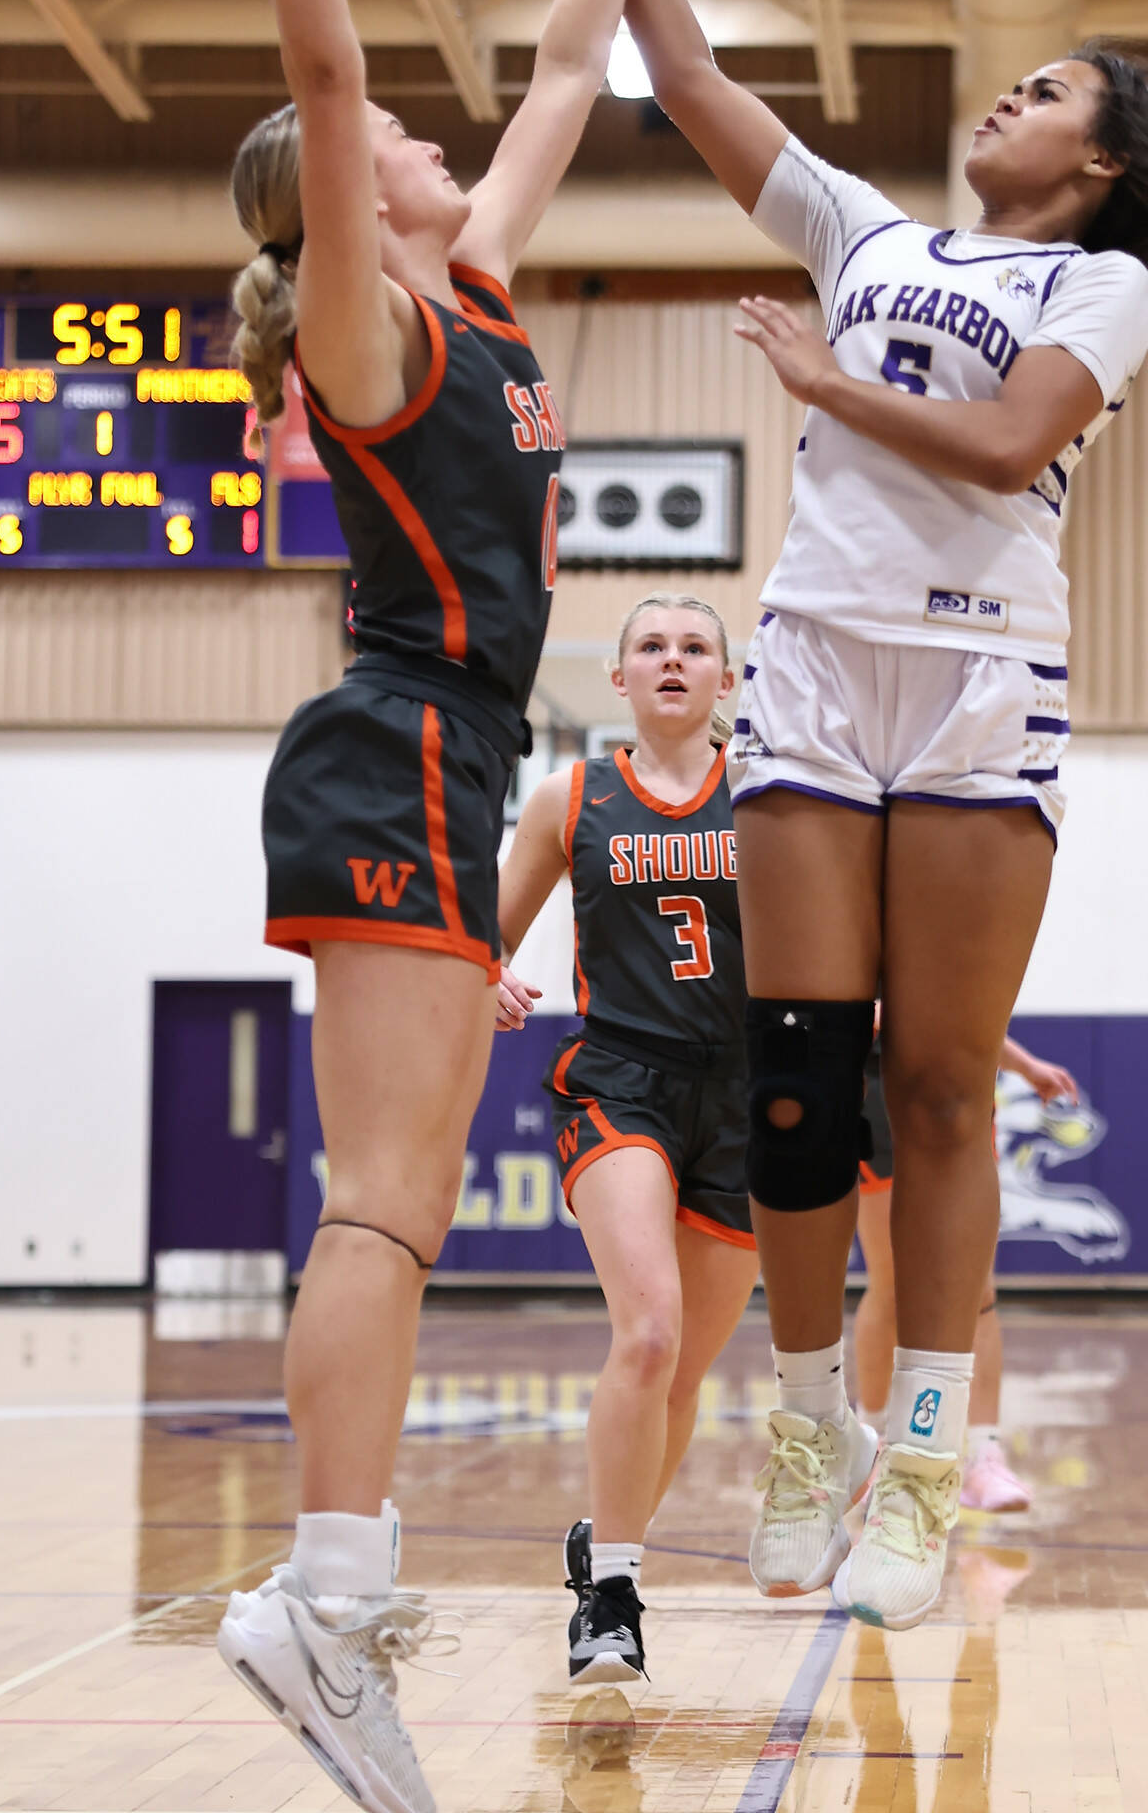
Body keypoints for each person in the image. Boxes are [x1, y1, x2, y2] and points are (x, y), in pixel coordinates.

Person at [567, 0, 1148, 1632]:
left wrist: (821, 380)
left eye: (1045, 93)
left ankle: (925, 1469)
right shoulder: (864, 231)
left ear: (1106, 159)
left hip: (978, 678)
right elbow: (685, 70)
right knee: (798, 1082)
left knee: (938, 1094)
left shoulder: (1097, 284)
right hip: (818, 660)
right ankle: (803, 1441)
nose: (1004, 103)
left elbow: (1012, 442)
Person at [201, 0, 736, 1813]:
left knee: (397, 1203)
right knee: (386, 1206)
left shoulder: (487, 283)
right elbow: (331, 79)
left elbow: (562, 70)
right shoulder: (360, 308)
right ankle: (322, 1604)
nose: (426, 135)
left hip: (440, 753)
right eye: (380, 146)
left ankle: (329, 1593)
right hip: (401, 741)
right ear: (322, 211)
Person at [496, 596, 754, 1687]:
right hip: (621, 1082)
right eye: (651, 645)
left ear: (726, 682)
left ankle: (599, 1537)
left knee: (685, 1372)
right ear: (617, 678)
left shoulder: (770, 793)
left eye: (695, 648)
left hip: (745, 1095)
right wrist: (481, 975)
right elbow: (482, 930)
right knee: (647, 1333)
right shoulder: (572, 796)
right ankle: (612, 1598)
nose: (672, 661)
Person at [855, 1035, 1078, 1512]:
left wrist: (1026, 1064)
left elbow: (965, 1009)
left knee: (976, 1290)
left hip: (960, 1091)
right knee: (892, 1287)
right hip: (876, 1089)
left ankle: (983, 1456)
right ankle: (872, 1448)